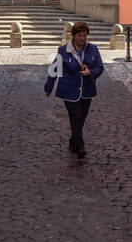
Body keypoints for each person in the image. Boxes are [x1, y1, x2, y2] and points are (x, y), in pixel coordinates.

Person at [44, 21, 104, 159]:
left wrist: (90, 72)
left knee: (81, 118)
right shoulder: (63, 51)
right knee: (76, 115)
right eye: (80, 35)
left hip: (87, 90)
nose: (83, 38)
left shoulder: (93, 49)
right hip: (68, 90)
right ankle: (79, 145)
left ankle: (73, 140)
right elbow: (54, 70)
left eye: (85, 35)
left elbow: (100, 67)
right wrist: (48, 87)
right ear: (74, 36)